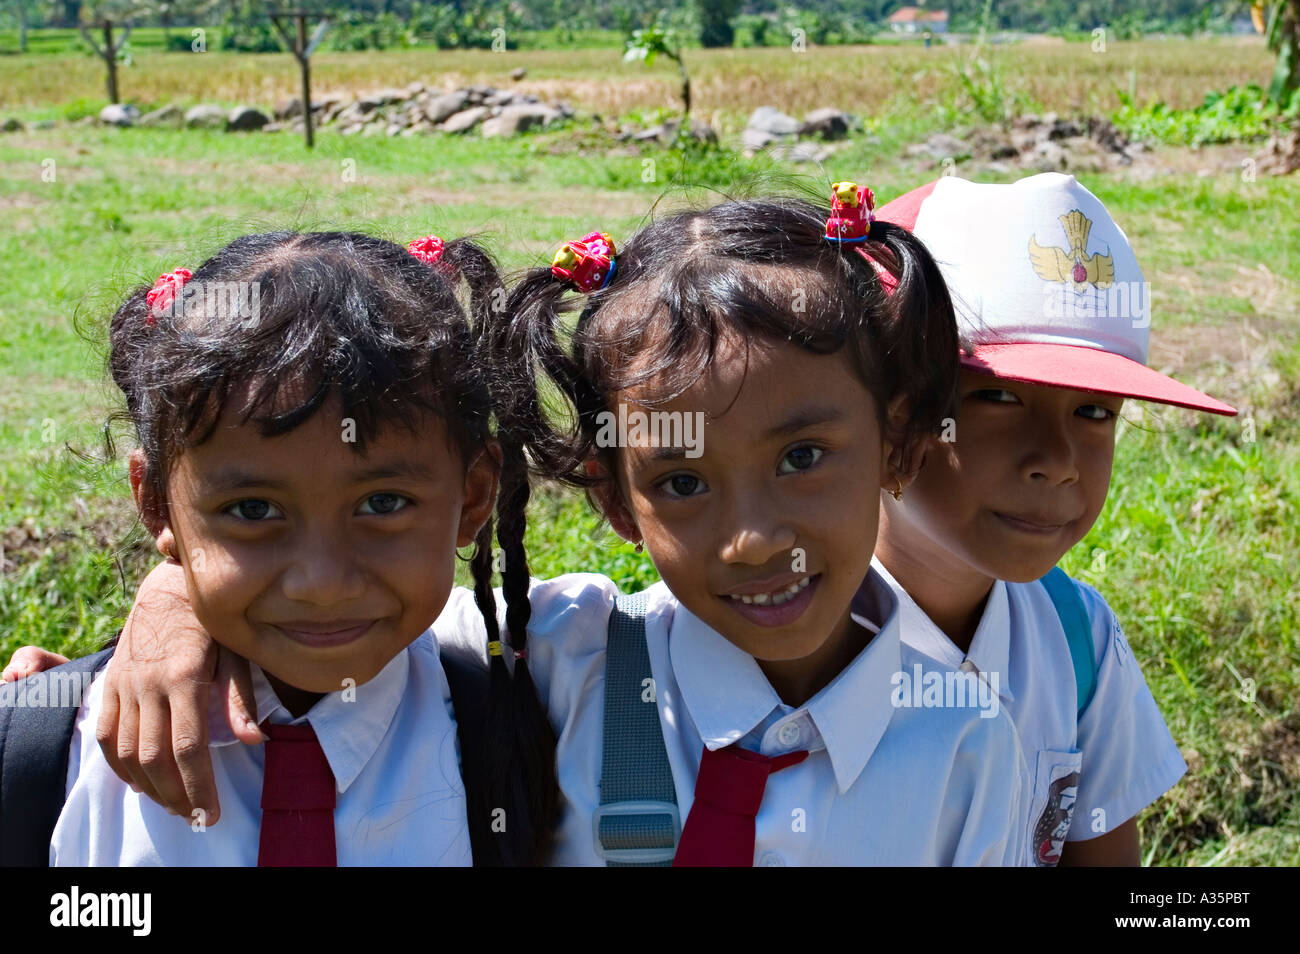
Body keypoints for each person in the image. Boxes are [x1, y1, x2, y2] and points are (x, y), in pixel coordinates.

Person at [8, 188, 1031, 865]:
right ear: (613, 498)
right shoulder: (530, 667)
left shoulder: (968, 741)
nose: (751, 537)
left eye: (801, 458)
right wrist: (171, 604)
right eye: (679, 480)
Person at [0, 230, 557, 866]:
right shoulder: (43, 755)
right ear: (156, 503)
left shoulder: (535, 705)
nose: (321, 582)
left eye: (382, 503)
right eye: (253, 510)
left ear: (475, 496)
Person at [872, 173, 1237, 866]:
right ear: (885, 403)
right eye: (1000, 397)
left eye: (1094, 411)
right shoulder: (781, 630)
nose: (1058, 460)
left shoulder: (1078, 640)